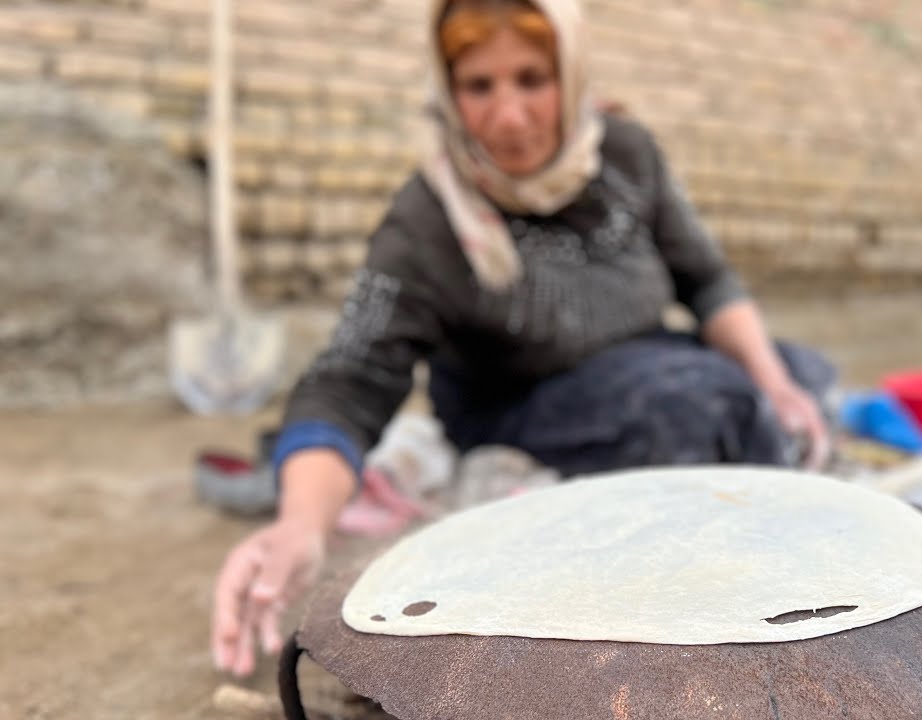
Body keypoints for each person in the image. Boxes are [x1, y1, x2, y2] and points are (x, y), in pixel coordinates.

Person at [211, 0, 838, 677]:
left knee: (798, 375)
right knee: (707, 406)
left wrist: (775, 383)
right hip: (520, 401)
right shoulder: (427, 220)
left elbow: (708, 282)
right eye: (479, 86)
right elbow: (351, 376)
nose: (509, 118)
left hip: (646, 358)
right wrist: (301, 524)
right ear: (449, 92)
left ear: (570, 74)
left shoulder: (626, 155)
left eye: (532, 79)